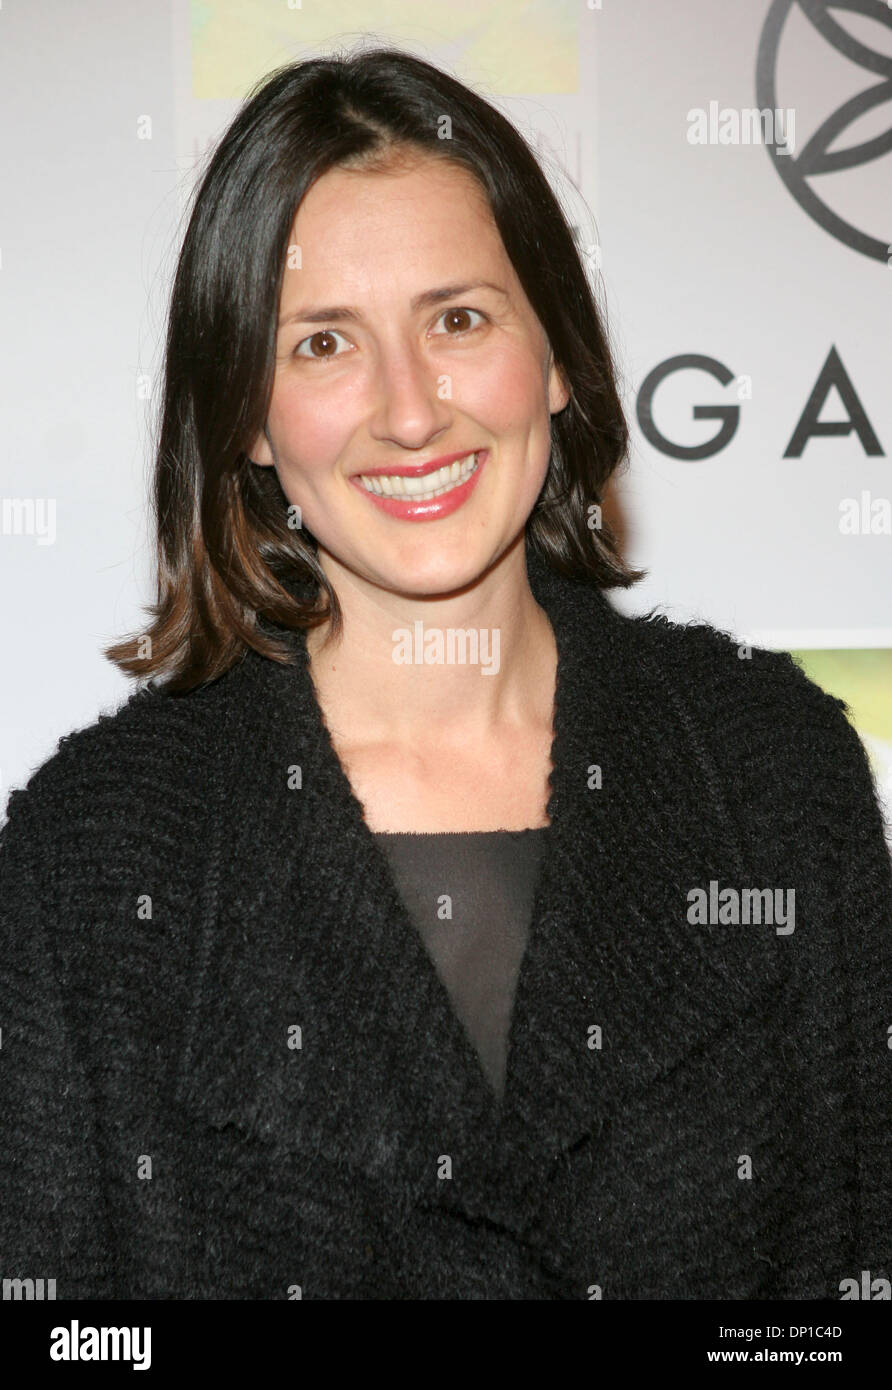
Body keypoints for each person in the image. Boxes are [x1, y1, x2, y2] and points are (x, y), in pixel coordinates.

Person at [1, 44, 890, 1302]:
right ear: (247, 413)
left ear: (557, 353)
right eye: (321, 344)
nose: (410, 411)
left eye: (458, 319)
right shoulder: (91, 863)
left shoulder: (775, 779)